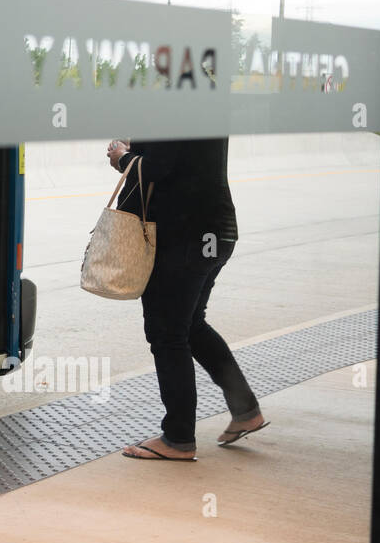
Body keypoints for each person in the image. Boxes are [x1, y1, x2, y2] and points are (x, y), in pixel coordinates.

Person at [104, 136, 268, 460]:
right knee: (190, 326)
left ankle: (178, 438)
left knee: (167, 334)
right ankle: (245, 409)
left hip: (184, 236)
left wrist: (123, 157)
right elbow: (182, 157)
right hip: (216, 230)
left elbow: (159, 167)